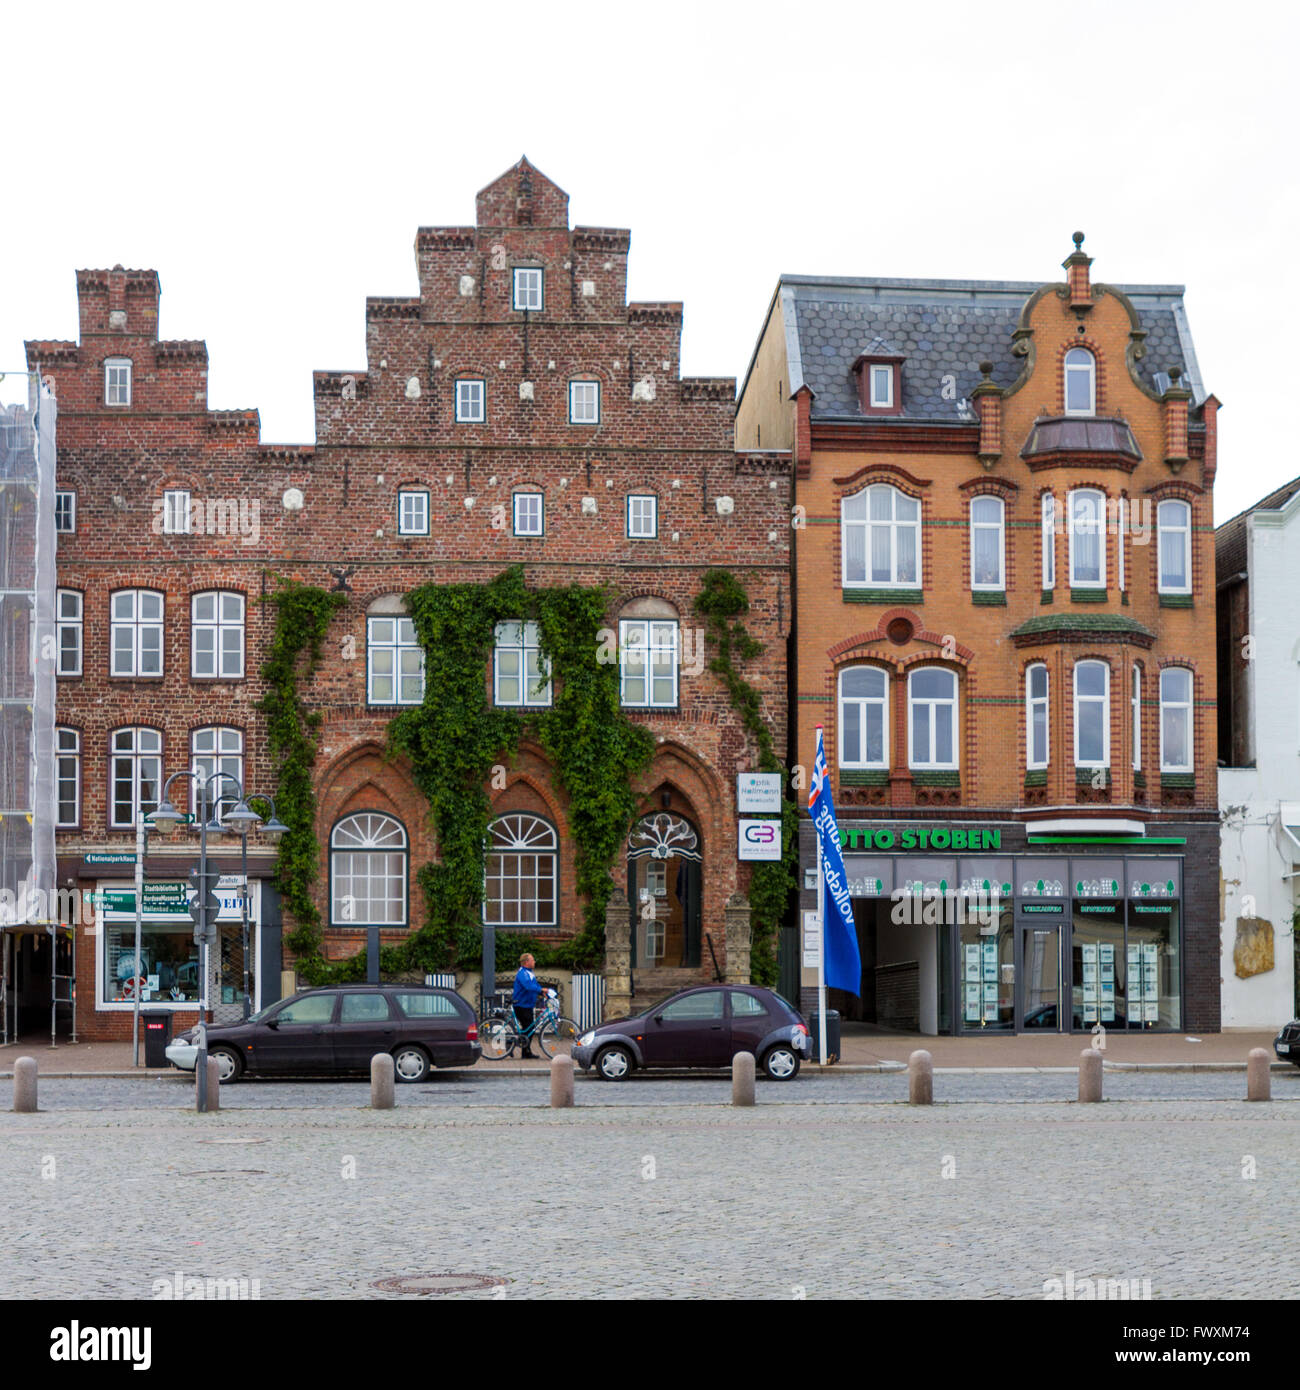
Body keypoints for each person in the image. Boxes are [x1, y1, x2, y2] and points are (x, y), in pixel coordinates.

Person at [512, 952, 543, 1058]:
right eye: (532, 960)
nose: (534, 961)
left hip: (527, 1005)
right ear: (526, 962)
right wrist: (541, 989)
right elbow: (528, 986)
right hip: (521, 1005)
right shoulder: (523, 973)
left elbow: (535, 985)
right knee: (529, 1028)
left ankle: (526, 1052)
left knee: (528, 1029)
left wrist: (542, 992)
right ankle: (524, 1051)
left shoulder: (529, 972)